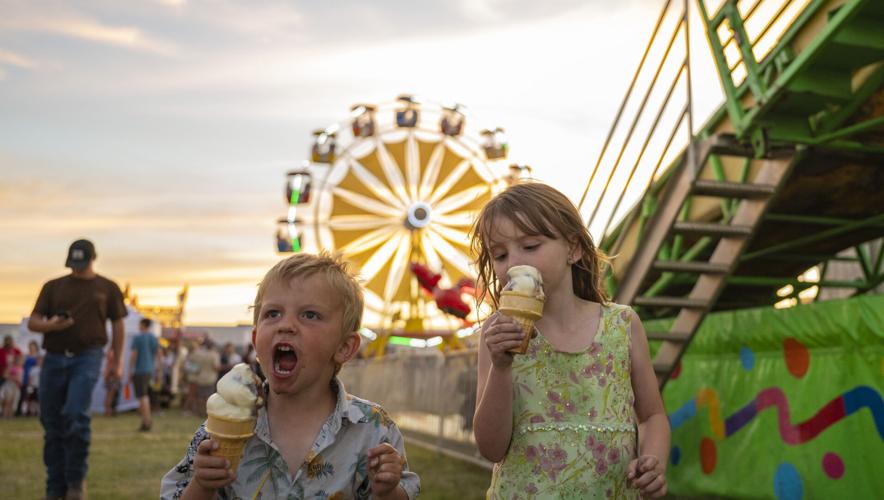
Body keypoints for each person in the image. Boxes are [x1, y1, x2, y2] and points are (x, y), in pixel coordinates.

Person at [161, 252, 421, 499]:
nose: (285, 325)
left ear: (344, 347)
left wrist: (387, 492)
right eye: (273, 313)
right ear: (256, 339)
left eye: (310, 315)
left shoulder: (373, 428)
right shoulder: (223, 424)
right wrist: (202, 484)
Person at [470, 182, 670, 499]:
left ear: (573, 248)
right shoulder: (496, 334)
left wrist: (653, 460)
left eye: (530, 246)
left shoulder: (622, 325)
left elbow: (652, 416)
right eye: (500, 254)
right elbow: (491, 448)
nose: (514, 263)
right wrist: (501, 367)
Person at [27, 238, 128, 500]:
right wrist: (51, 325)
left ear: (93, 259)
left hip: (88, 356)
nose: (76, 269)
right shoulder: (53, 286)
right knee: (51, 422)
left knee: (75, 415)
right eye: (73, 263)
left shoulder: (107, 287)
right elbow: (33, 322)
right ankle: (54, 487)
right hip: (54, 356)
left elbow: (118, 324)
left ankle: (75, 482)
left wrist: (116, 361)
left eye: (81, 264)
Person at [129, 317, 159, 431]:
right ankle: (145, 421)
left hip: (140, 370)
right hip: (149, 370)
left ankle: (147, 421)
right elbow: (158, 354)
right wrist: (158, 370)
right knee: (144, 395)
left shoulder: (138, 338)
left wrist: (130, 370)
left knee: (142, 396)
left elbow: (134, 355)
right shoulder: (153, 338)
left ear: (143, 325)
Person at [19, 340, 42, 415]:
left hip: (35, 379)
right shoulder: (26, 356)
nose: (31, 348)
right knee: (25, 395)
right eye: (30, 347)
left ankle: (34, 411)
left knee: (34, 397)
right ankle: (24, 411)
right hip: (26, 376)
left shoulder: (38, 356)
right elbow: (21, 364)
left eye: (33, 346)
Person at [102, 349, 121, 417]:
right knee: (110, 396)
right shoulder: (113, 353)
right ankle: (108, 411)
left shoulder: (110, 353)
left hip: (111, 377)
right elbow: (112, 366)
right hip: (112, 377)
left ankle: (108, 411)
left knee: (109, 395)